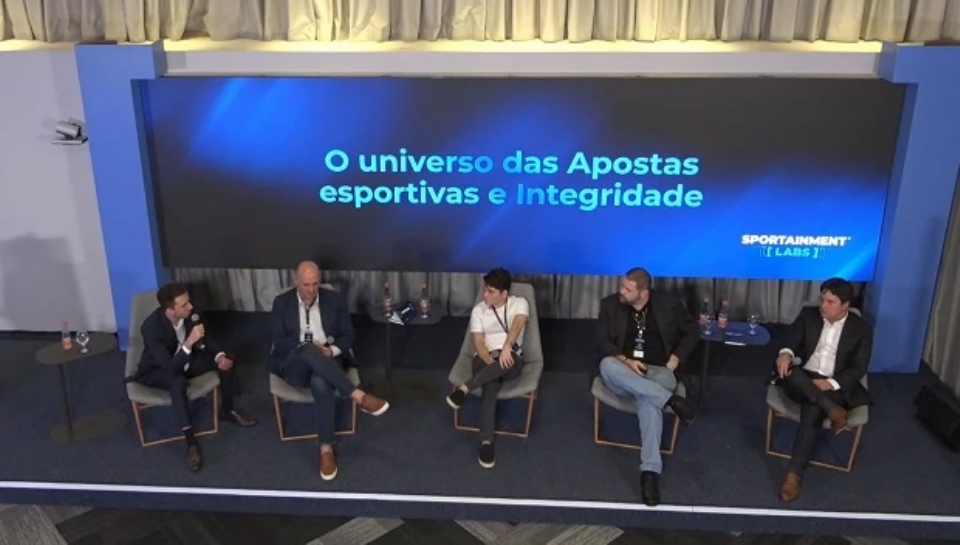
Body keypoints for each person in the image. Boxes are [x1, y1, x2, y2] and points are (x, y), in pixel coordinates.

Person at [268, 261, 389, 481]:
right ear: (296, 281)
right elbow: (279, 340)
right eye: (306, 285)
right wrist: (307, 349)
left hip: (328, 361)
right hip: (295, 364)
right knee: (308, 349)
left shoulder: (334, 300)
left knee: (321, 382)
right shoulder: (281, 303)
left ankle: (326, 450)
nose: (311, 290)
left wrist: (331, 350)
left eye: (315, 284)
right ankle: (357, 395)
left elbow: (348, 335)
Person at [596, 267, 698, 506]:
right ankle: (670, 400)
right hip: (623, 372)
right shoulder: (610, 305)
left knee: (648, 399)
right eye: (622, 285)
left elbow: (693, 332)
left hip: (658, 373)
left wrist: (676, 358)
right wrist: (626, 361)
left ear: (643, 292)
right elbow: (601, 342)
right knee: (607, 365)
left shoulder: (668, 305)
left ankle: (649, 473)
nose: (621, 291)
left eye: (628, 289)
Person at [131, 283, 258, 472]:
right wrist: (189, 341)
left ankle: (227, 410)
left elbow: (208, 338)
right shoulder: (151, 328)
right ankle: (191, 442)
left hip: (188, 362)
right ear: (170, 310)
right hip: (158, 370)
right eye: (184, 305)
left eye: (189, 301)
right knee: (176, 382)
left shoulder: (193, 312)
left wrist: (219, 356)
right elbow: (169, 366)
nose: (190, 306)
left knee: (227, 359)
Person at [773, 277, 872, 502]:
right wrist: (786, 353)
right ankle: (833, 410)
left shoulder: (861, 329)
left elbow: (858, 368)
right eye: (822, 300)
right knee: (791, 372)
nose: (823, 306)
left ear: (845, 305)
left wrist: (830, 383)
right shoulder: (809, 315)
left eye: (830, 302)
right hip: (801, 378)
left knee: (813, 409)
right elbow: (789, 340)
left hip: (834, 382)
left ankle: (793, 475)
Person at [446, 267, 529, 469]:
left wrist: (507, 346)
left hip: (511, 360)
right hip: (484, 360)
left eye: (491, 291)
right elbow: (479, 343)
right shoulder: (479, 310)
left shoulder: (519, 303)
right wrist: (490, 361)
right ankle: (486, 442)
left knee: (505, 362)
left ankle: (465, 388)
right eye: (485, 289)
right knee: (490, 383)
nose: (485, 295)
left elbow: (519, 323)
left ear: (504, 293)